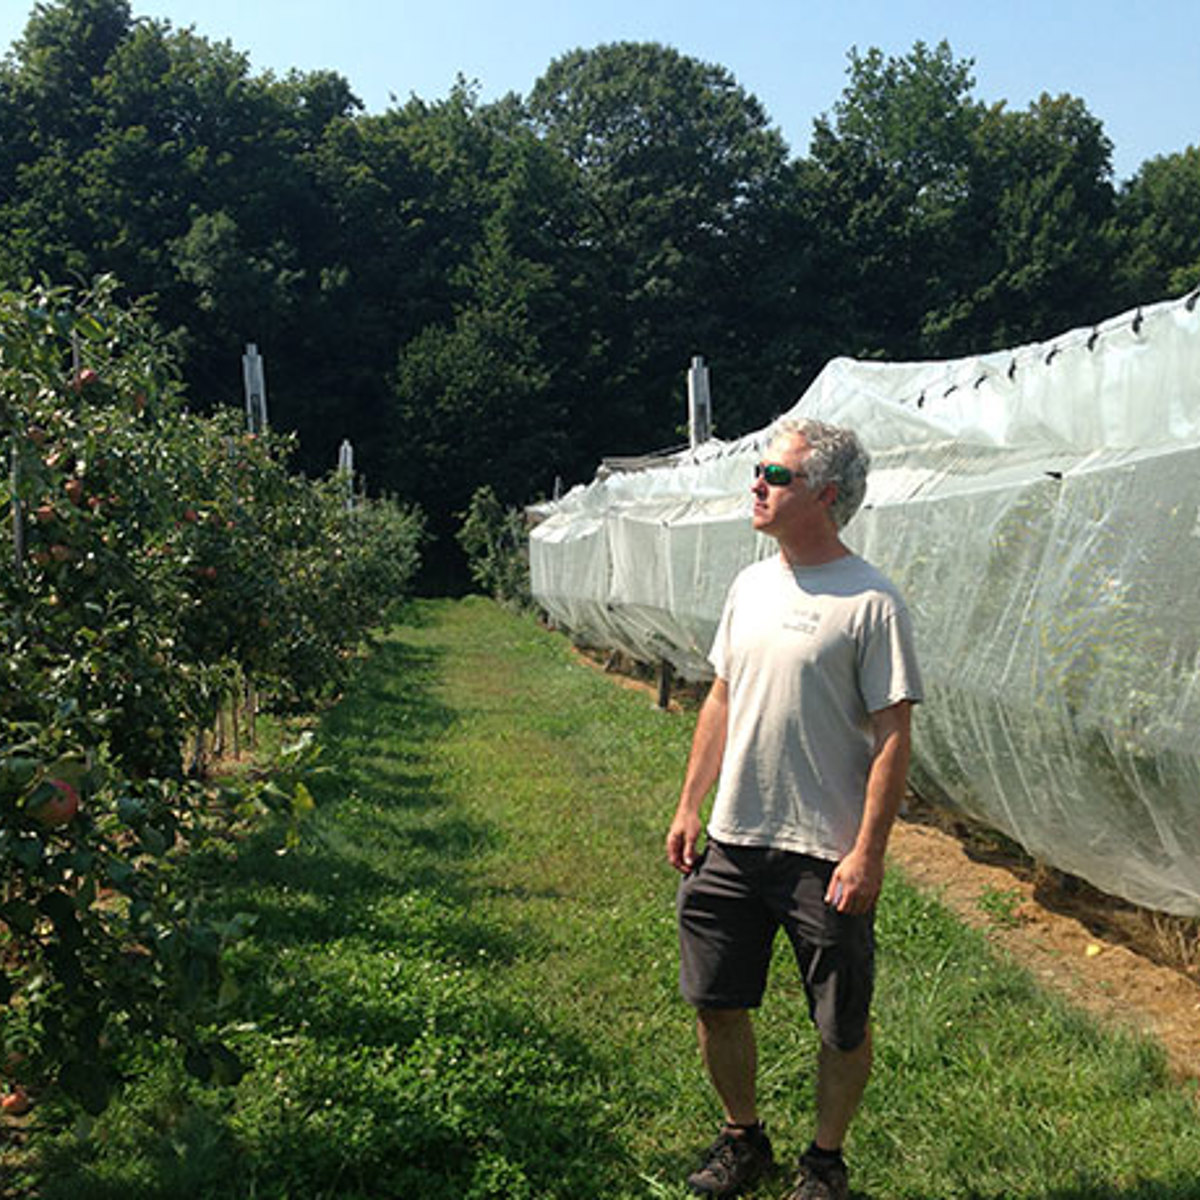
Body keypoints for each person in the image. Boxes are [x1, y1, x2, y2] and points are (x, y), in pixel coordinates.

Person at [665, 417, 923, 1200]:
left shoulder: (871, 602)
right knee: (715, 998)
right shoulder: (751, 586)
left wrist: (868, 852)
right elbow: (721, 696)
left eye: (775, 476)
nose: (758, 485)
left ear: (826, 495)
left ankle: (825, 1161)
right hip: (735, 838)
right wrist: (689, 806)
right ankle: (743, 1137)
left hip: (824, 848)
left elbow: (893, 735)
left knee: (840, 1020)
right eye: (759, 472)